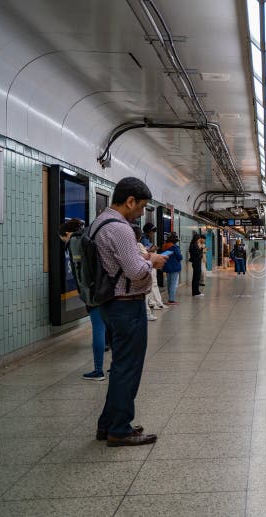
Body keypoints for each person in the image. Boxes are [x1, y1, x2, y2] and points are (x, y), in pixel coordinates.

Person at [91, 177, 167, 446]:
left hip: (112, 304)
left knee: (121, 366)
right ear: (130, 201)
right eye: (142, 206)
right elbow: (135, 271)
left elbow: (125, 262)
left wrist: (141, 258)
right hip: (126, 305)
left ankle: (107, 425)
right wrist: (153, 261)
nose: (141, 212)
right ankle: (119, 430)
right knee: (128, 369)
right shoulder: (121, 229)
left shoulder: (99, 222)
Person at [60, 218, 107, 381]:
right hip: (105, 289)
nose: (63, 242)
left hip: (94, 293)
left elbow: (81, 274)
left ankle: (98, 370)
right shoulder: (90, 235)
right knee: (109, 329)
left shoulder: (75, 241)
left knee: (98, 329)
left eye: (62, 239)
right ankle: (114, 367)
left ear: (66, 233)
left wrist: (86, 295)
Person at [134, 226, 157, 322]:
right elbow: (147, 256)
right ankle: (146, 313)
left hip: (136, 274)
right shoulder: (138, 244)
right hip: (143, 272)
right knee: (145, 294)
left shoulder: (132, 245)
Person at [141, 223, 164, 309]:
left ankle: (156, 302)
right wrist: (152, 249)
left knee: (154, 283)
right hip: (147, 263)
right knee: (151, 283)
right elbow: (146, 250)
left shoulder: (147, 238)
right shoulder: (143, 238)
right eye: (152, 231)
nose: (153, 233)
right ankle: (152, 303)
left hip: (151, 262)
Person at [161, 232, 183, 305]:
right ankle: (171, 300)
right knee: (173, 283)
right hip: (174, 267)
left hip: (167, 267)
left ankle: (170, 298)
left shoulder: (164, 246)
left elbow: (162, 255)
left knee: (169, 283)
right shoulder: (175, 247)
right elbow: (180, 257)